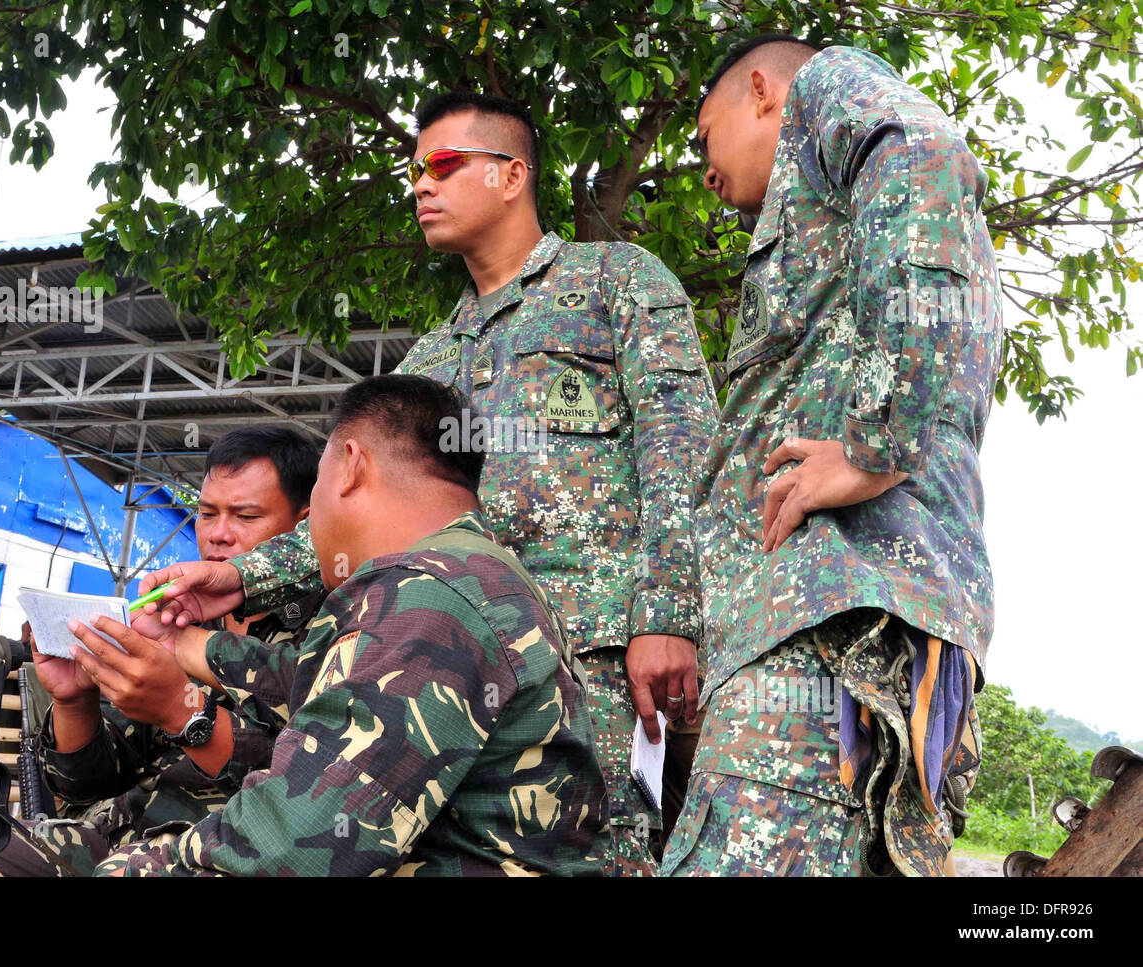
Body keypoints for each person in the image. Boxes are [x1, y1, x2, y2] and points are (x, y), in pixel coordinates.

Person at [134, 92, 718, 875]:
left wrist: (668, 614)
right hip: (443, 665)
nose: (420, 185)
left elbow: (687, 450)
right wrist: (238, 575)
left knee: (590, 857)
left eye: (443, 166)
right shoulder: (427, 362)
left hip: (596, 660)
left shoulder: (617, 284)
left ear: (513, 176)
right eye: (413, 170)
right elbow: (354, 516)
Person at [662, 35, 1000, 877]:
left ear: (761, 89)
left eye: (706, 137)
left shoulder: (825, 87)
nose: (703, 170)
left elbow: (929, 161)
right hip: (850, 624)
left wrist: (872, 446)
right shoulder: (825, 207)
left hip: (834, 619)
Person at [84, 375, 608, 876]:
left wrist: (129, 866)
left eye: (318, 484)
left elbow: (293, 845)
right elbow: (319, 679)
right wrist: (184, 644)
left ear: (351, 466)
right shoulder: (473, 576)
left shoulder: (428, 592)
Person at [0, 427, 320, 876]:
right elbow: (85, 787)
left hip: (223, 851)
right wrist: (73, 700)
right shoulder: (170, 617)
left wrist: (182, 711)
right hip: (118, 835)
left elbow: (304, 792)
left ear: (304, 528)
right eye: (207, 513)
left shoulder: (330, 629)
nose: (219, 534)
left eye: (245, 517)